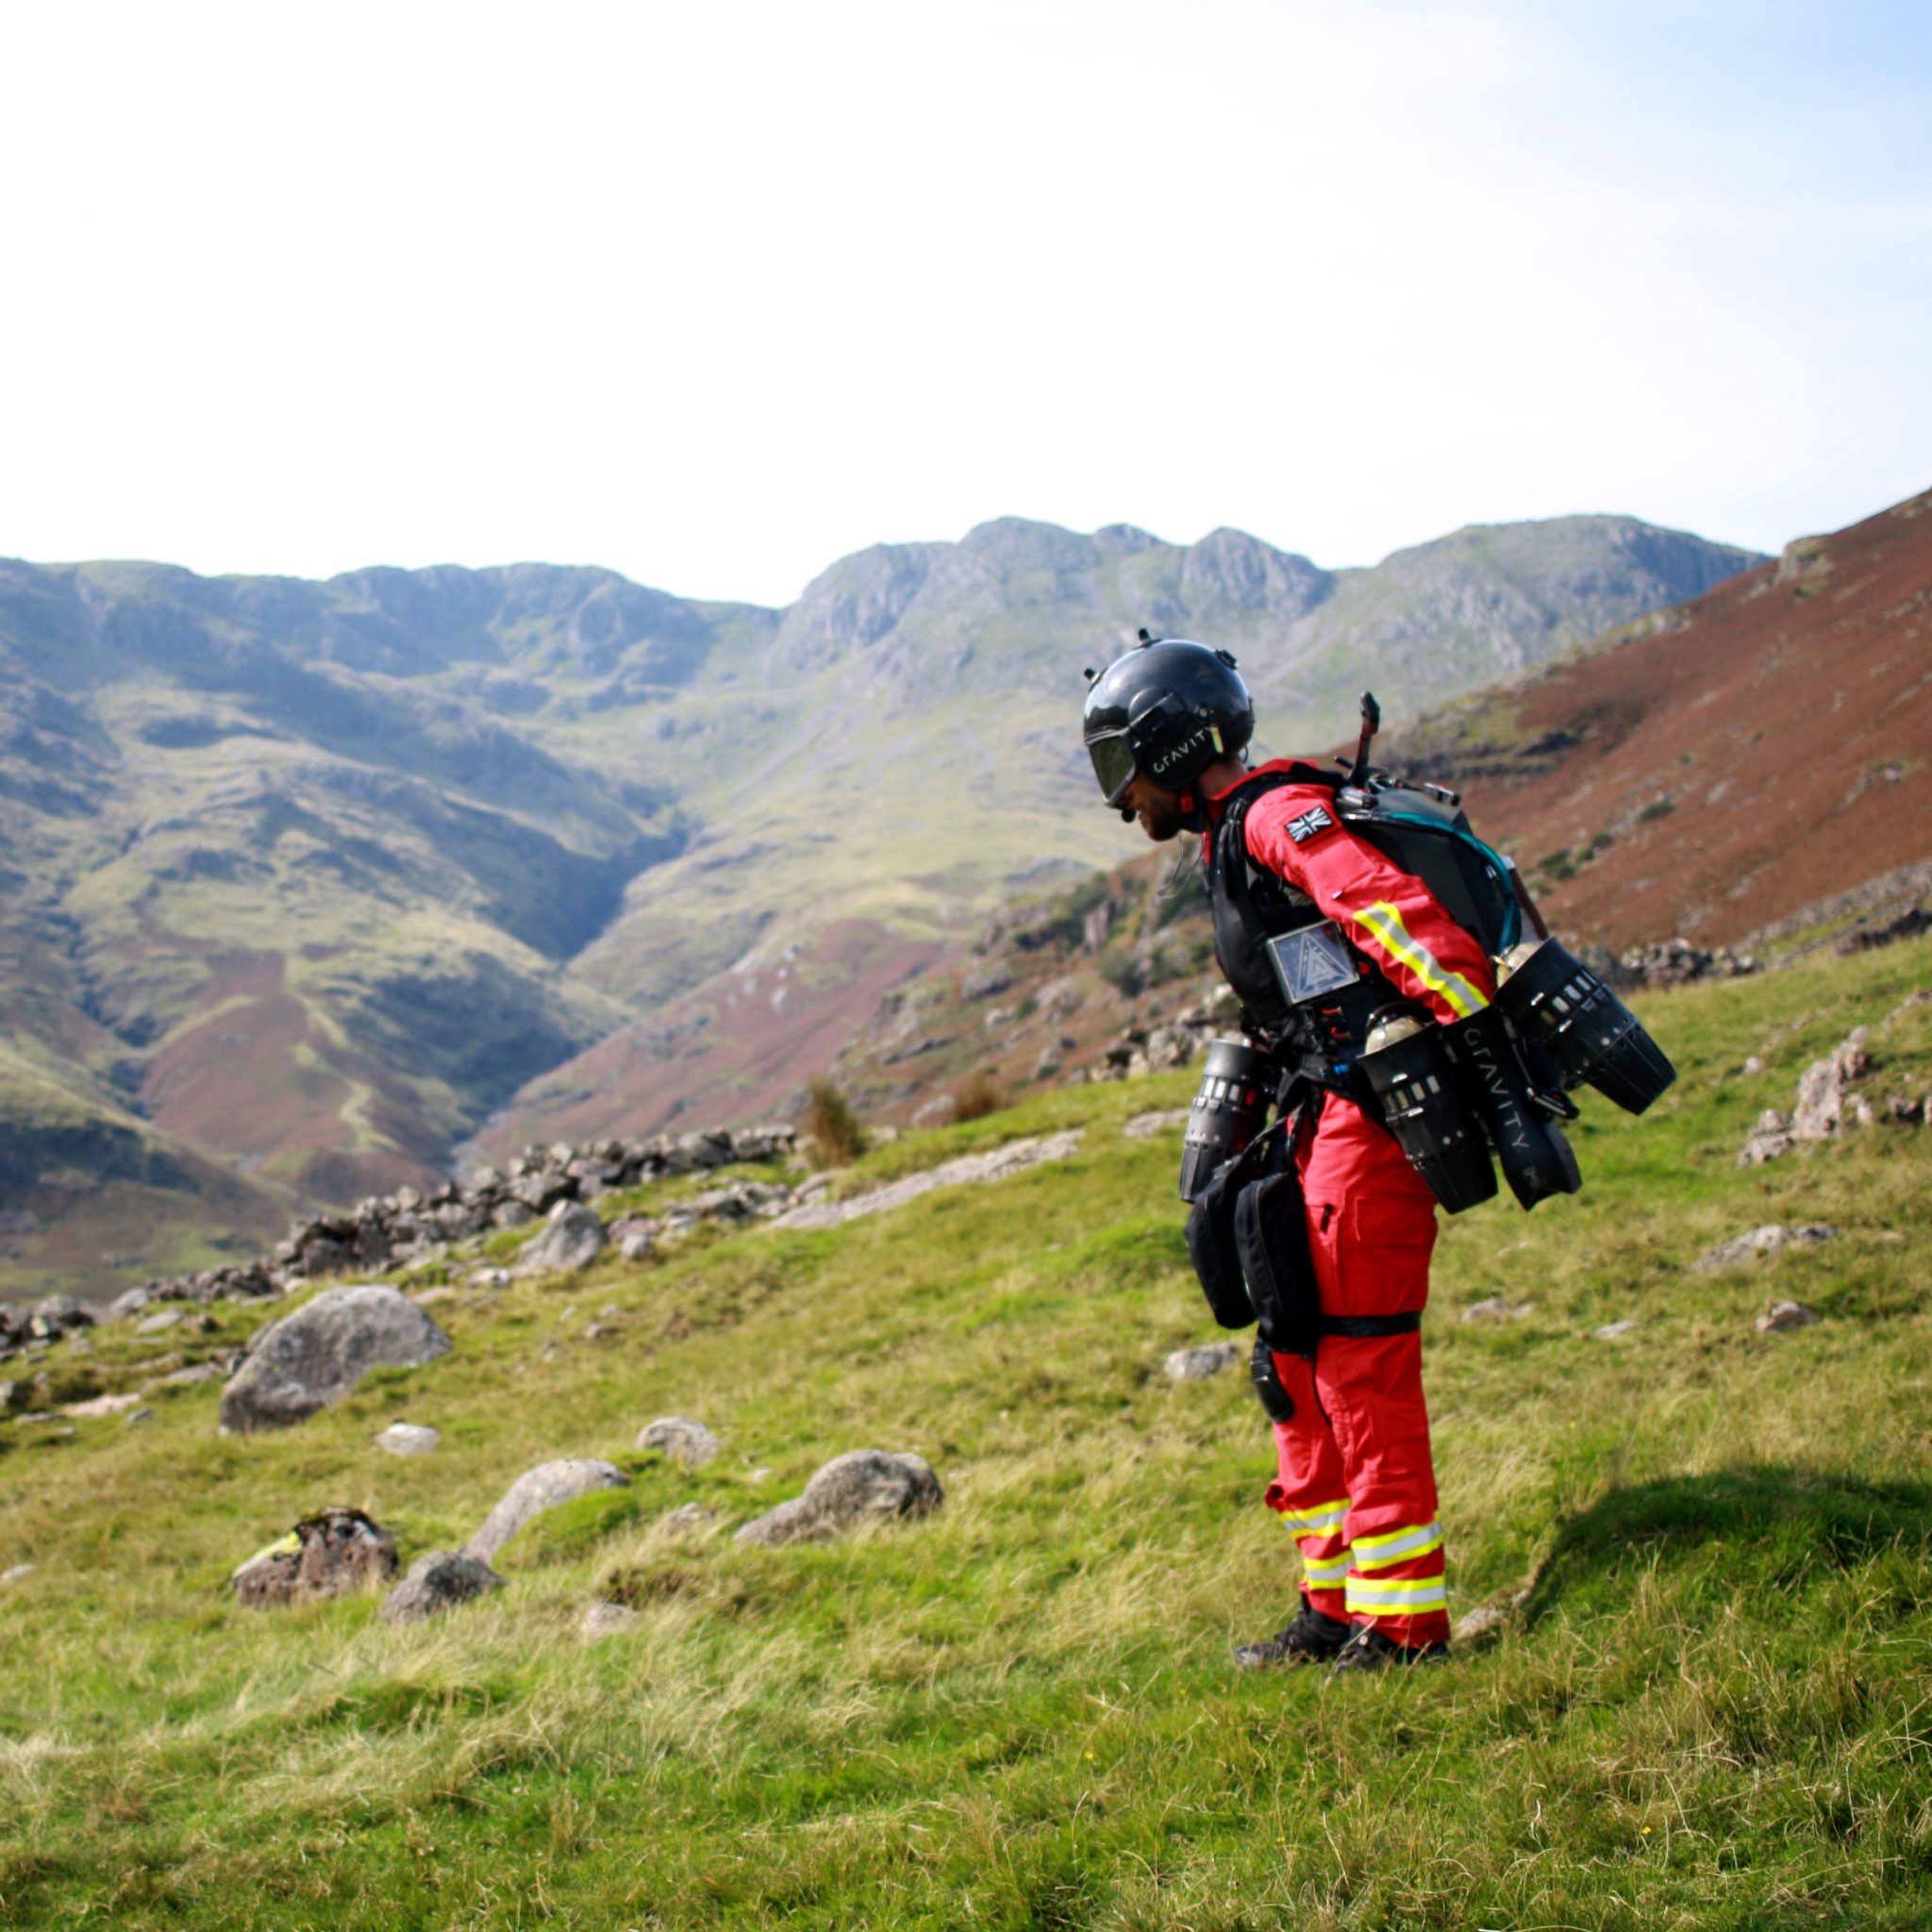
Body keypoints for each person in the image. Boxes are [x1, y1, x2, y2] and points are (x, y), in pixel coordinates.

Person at [1082, 635, 1496, 1672]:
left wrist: (1466, 1027)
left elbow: (1387, 911)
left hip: (1372, 1117)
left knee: (1360, 1359)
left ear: (1169, 746)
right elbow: (1308, 978)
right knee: (1292, 1357)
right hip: (1316, 1111)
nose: (1121, 796)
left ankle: (1403, 1628)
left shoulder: (1272, 815)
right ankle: (1331, 1602)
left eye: (1121, 765)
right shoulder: (1231, 836)